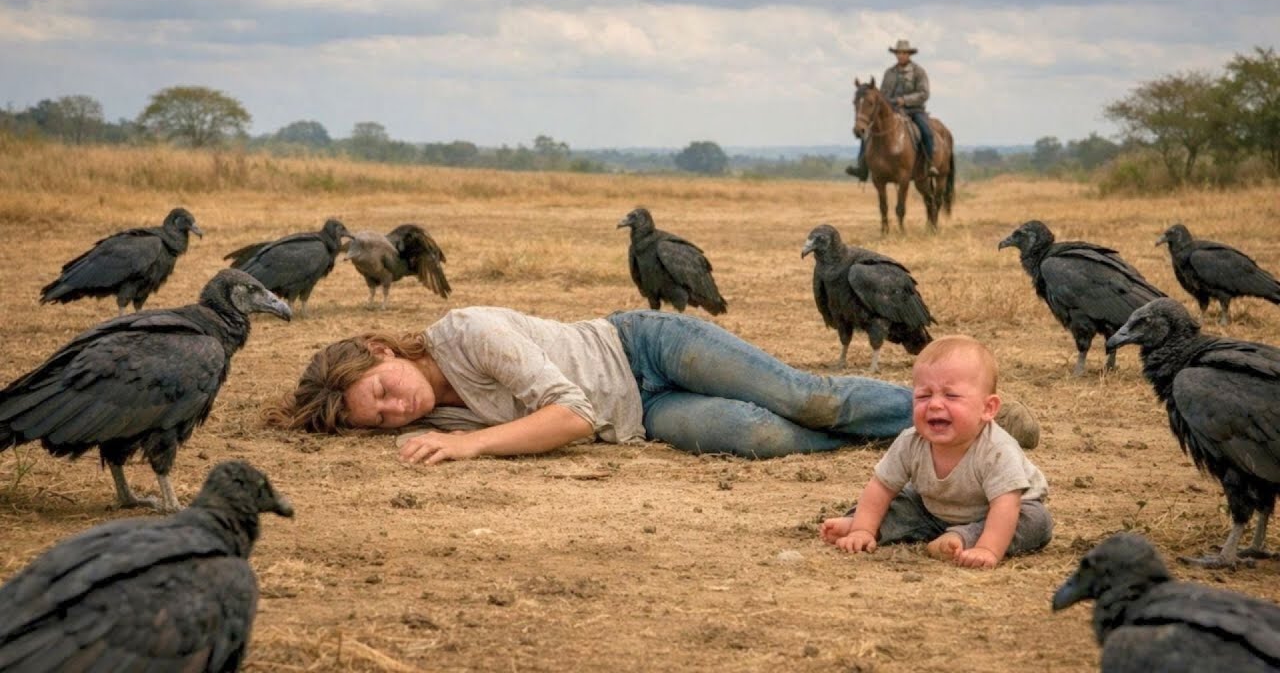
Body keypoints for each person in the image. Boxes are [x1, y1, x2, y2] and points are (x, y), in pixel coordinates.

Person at [266, 307, 1039, 464]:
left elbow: (571, 416)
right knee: (763, 436)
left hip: (643, 347)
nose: (396, 411)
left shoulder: (466, 334)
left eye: (382, 391)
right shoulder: (430, 419)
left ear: (381, 350)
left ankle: (964, 414)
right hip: (642, 413)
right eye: (380, 420)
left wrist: (474, 449)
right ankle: (916, 435)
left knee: (804, 398)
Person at [819, 335, 1051, 568]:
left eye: (951, 395)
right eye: (924, 395)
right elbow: (881, 487)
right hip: (931, 510)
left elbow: (1005, 505)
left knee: (1036, 522)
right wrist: (862, 529)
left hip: (997, 513)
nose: (935, 404)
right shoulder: (911, 441)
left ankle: (964, 538)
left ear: (988, 408)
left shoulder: (997, 449)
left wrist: (986, 549)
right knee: (902, 502)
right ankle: (862, 524)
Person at [846, 38, 939, 181]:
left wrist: (905, 100)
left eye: (904, 53)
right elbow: (883, 94)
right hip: (893, 110)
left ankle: (930, 164)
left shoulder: (918, 72)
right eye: (898, 53)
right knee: (868, 132)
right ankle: (862, 167)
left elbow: (924, 93)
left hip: (914, 110)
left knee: (925, 130)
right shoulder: (889, 73)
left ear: (909, 54)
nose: (901, 55)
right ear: (896, 54)